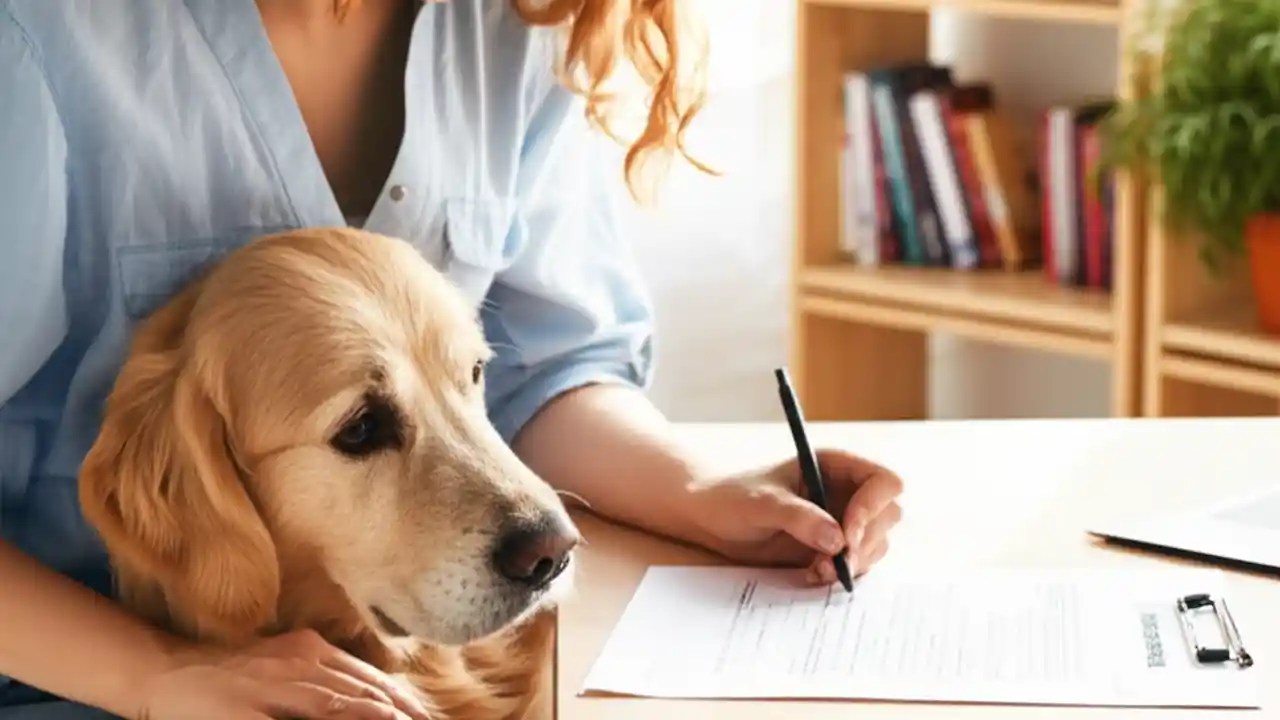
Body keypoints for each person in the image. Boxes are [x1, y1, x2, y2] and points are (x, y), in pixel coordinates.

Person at [0, 1, 904, 718]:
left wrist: (700, 491)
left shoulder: (517, 18)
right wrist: (157, 675)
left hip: (420, 666)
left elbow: (547, 369)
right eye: (362, 428)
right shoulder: (35, 43)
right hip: (80, 678)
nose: (548, 534)